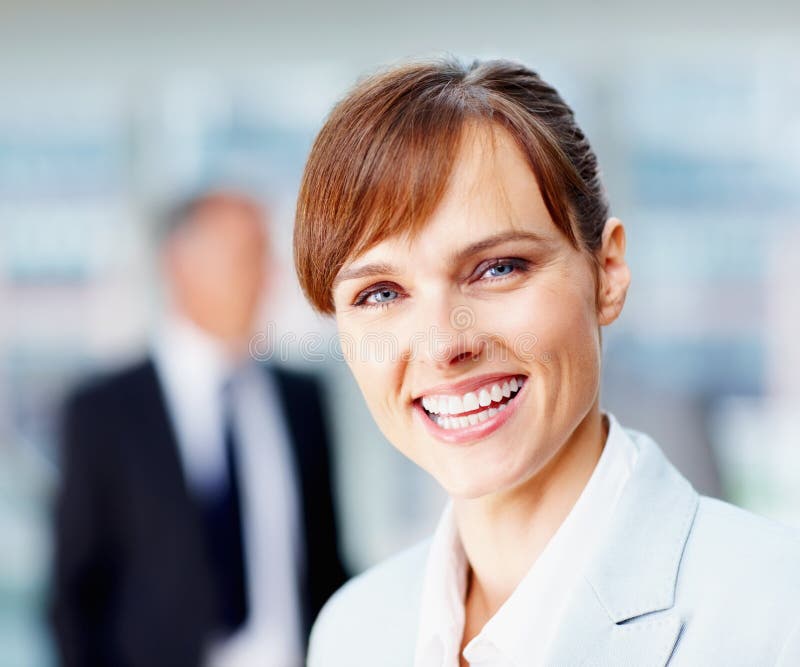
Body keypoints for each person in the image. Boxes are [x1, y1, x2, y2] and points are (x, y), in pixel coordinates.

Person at [292, 59, 800, 666]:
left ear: (606, 273)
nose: (441, 346)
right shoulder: (353, 633)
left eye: (498, 268)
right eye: (380, 294)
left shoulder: (772, 613)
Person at [50, 190, 346, 667]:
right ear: (180, 267)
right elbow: (77, 594)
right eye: (245, 258)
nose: (266, 279)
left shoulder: (302, 400)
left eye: (265, 258)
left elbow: (326, 560)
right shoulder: (103, 413)